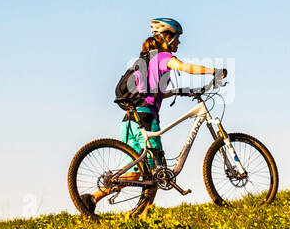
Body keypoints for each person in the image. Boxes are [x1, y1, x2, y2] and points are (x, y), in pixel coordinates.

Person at [84, 18, 221, 209]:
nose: (179, 42)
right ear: (166, 37)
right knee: (158, 170)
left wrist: (182, 91)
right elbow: (186, 67)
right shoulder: (163, 57)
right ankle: (146, 214)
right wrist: (213, 71)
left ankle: (91, 199)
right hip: (146, 118)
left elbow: (154, 92)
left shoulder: (148, 60)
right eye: (177, 38)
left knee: (133, 174)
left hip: (130, 120)